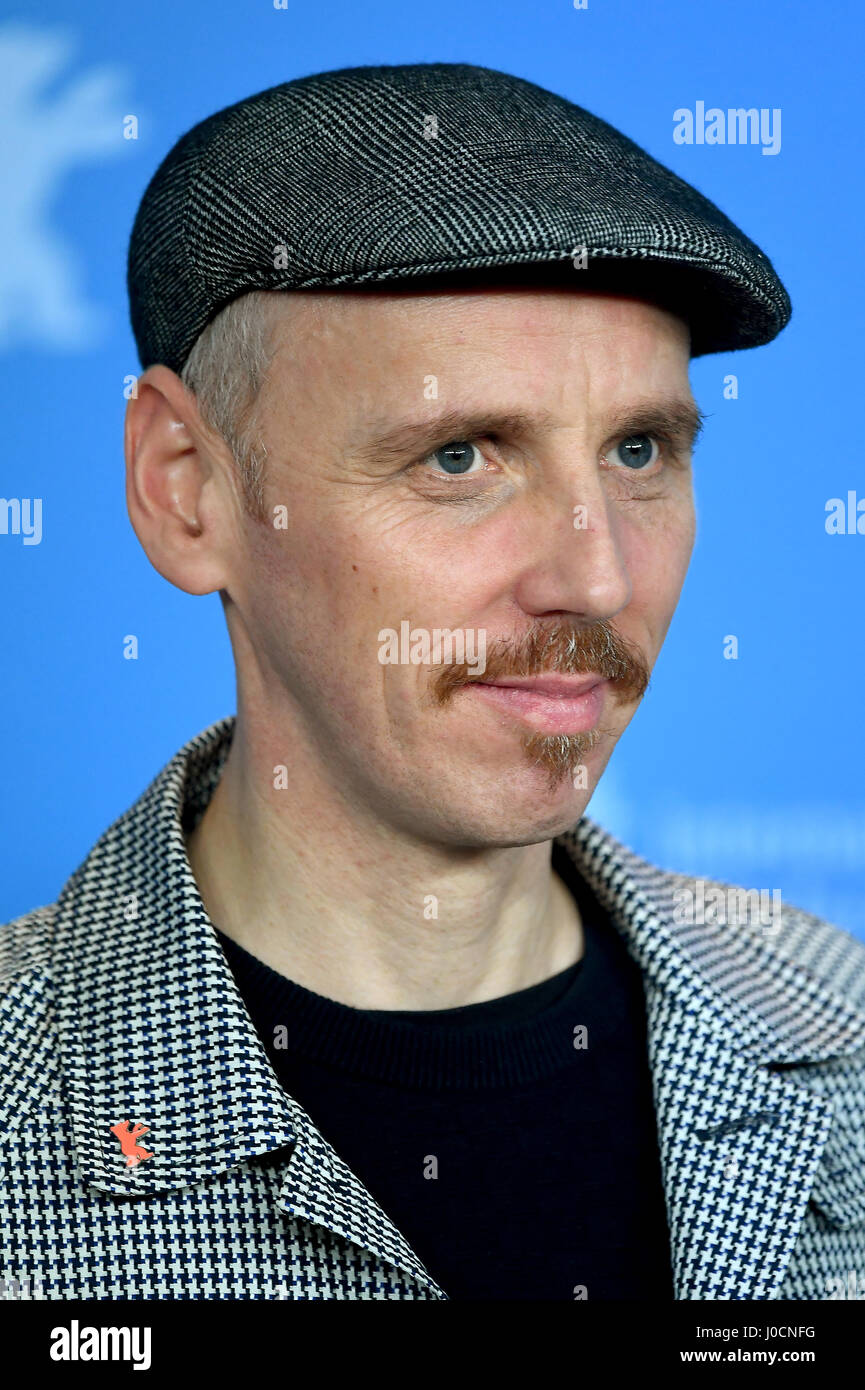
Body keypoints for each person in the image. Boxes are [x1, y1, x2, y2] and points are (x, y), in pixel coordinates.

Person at [2, 62, 863, 1302]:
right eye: (459, 456)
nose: (598, 578)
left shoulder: (838, 1029)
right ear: (186, 489)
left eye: (638, 450)